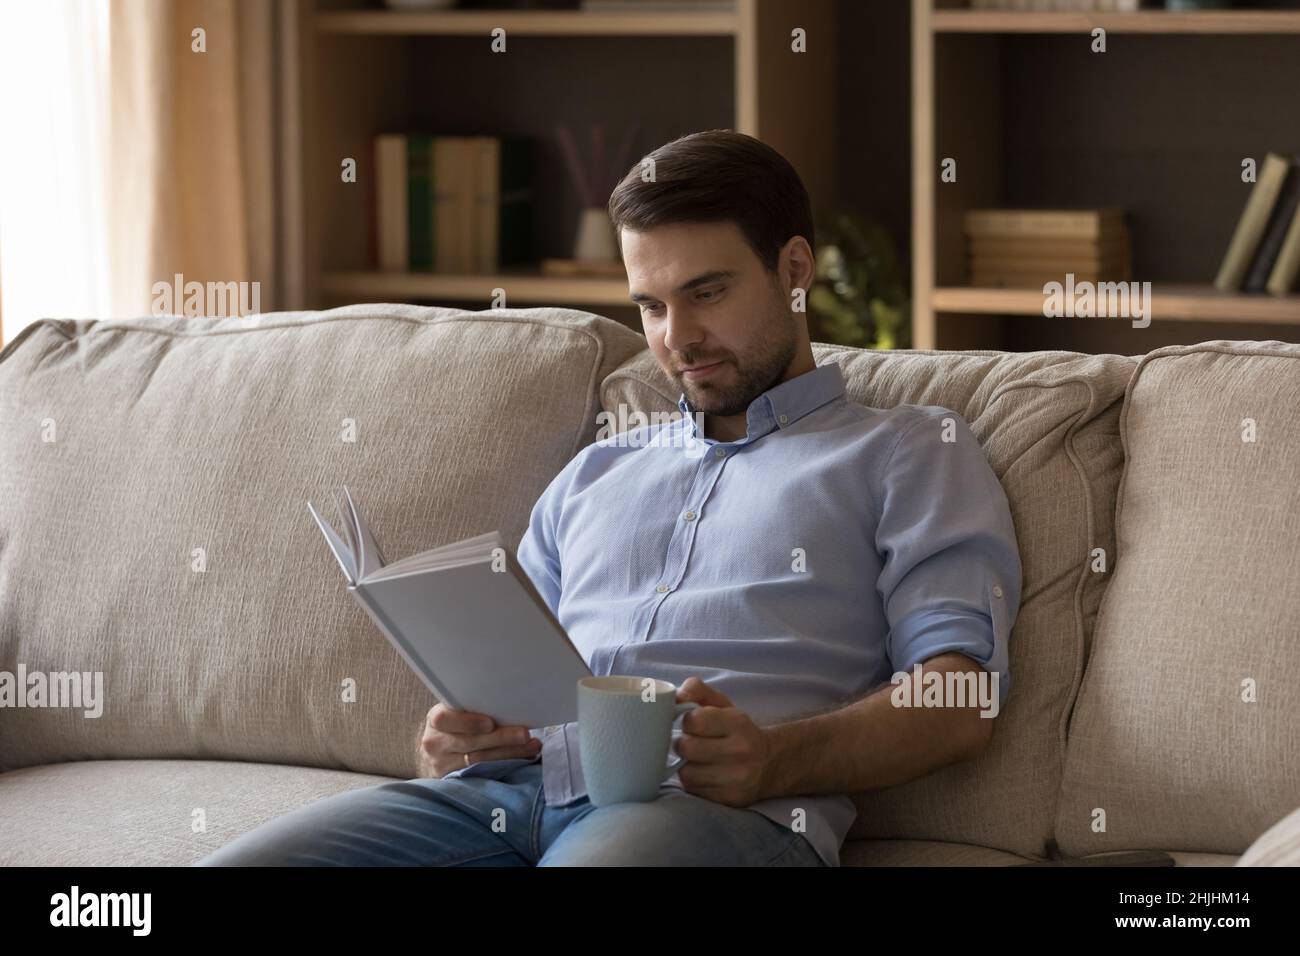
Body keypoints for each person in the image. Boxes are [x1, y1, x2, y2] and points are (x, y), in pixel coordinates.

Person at [196, 129, 1021, 867]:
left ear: (794, 269)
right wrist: (455, 742)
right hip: (502, 800)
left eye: (707, 293)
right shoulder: (594, 473)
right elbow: (516, 677)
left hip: (712, 815)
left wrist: (775, 759)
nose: (677, 338)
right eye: (651, 306)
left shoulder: (909, 451)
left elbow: (960, 696)